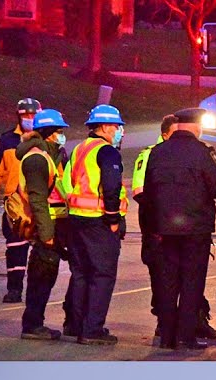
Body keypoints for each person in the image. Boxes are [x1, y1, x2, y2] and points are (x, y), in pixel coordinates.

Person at [143, 108, 216, 351]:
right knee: (192, 282)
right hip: (195, 230)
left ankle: (167, 337)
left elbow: (149, 191)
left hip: (164, 229)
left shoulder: (158, 152)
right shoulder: (202, 153)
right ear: (198, 126)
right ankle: (186, 336)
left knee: (167, 282)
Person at [65, 104, 128, 346]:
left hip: (77, 219)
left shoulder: (80, 149)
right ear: (103, 127)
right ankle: (92, 330)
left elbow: (65, 182)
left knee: (81, 273)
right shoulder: (107, 152)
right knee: (102, 275)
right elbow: (111, 186)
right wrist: (113, 218)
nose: (120, 130)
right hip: (98, 221)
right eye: (116, 126)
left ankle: (77, 325)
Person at [15, 109, 71, 341]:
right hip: (44, 227)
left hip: (53, 224)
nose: (62, 135)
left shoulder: (49, 155)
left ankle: (35, 323)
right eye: (59, 131)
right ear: (49, 133)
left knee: (46, 276)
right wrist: (47, 235)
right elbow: (37, 199)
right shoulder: (37, 158)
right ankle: (33, 325)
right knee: (41, 276)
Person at [0, 97, 41, 303]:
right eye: (25, 115)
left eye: (33, 115)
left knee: (43, 252)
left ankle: (37, 294)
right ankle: (15, 290)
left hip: (41, 204)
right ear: (18, 116)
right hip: (15, 204)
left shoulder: (46, 140)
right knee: (15, 248)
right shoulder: (8, 140)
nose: (29, 118)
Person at [132, 114, 177, 337]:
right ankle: (163, 319)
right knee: (160, 275)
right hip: (156, 227)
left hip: (178, 228)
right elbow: (140, 191)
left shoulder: (183, 155)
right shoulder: (148, 155)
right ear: (164, 134)